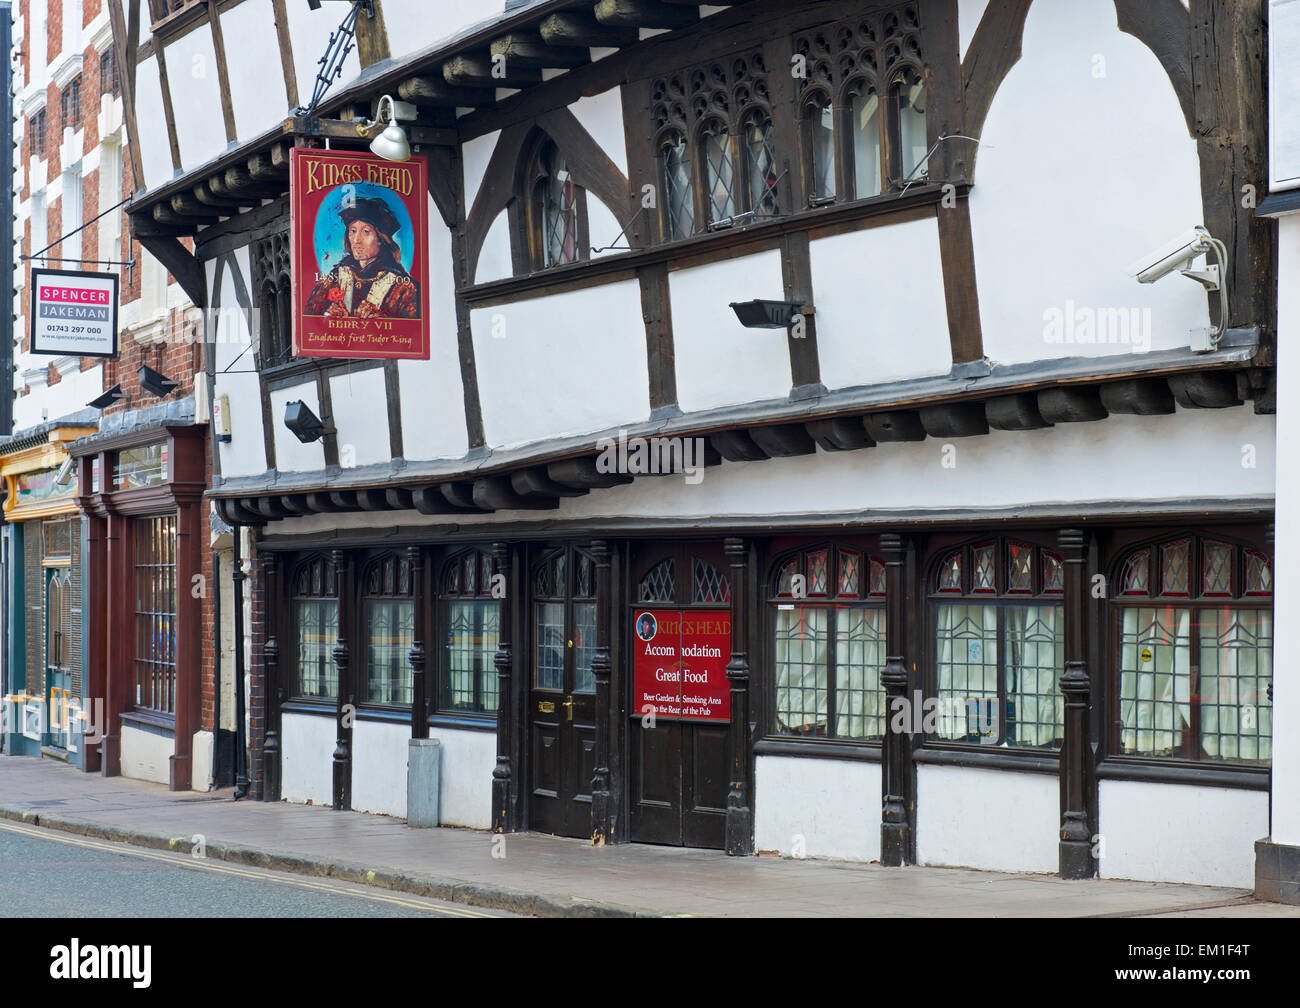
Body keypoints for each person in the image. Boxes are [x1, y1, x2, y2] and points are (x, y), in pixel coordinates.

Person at [304, 197, 419, 319]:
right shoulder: (335, 277)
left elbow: (412, 331)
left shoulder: (404, 286)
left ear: (381, 239)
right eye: (352, 231)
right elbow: (309, 321)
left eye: (365, 231)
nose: (356, 240)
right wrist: (328, 317)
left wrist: (383, 321)